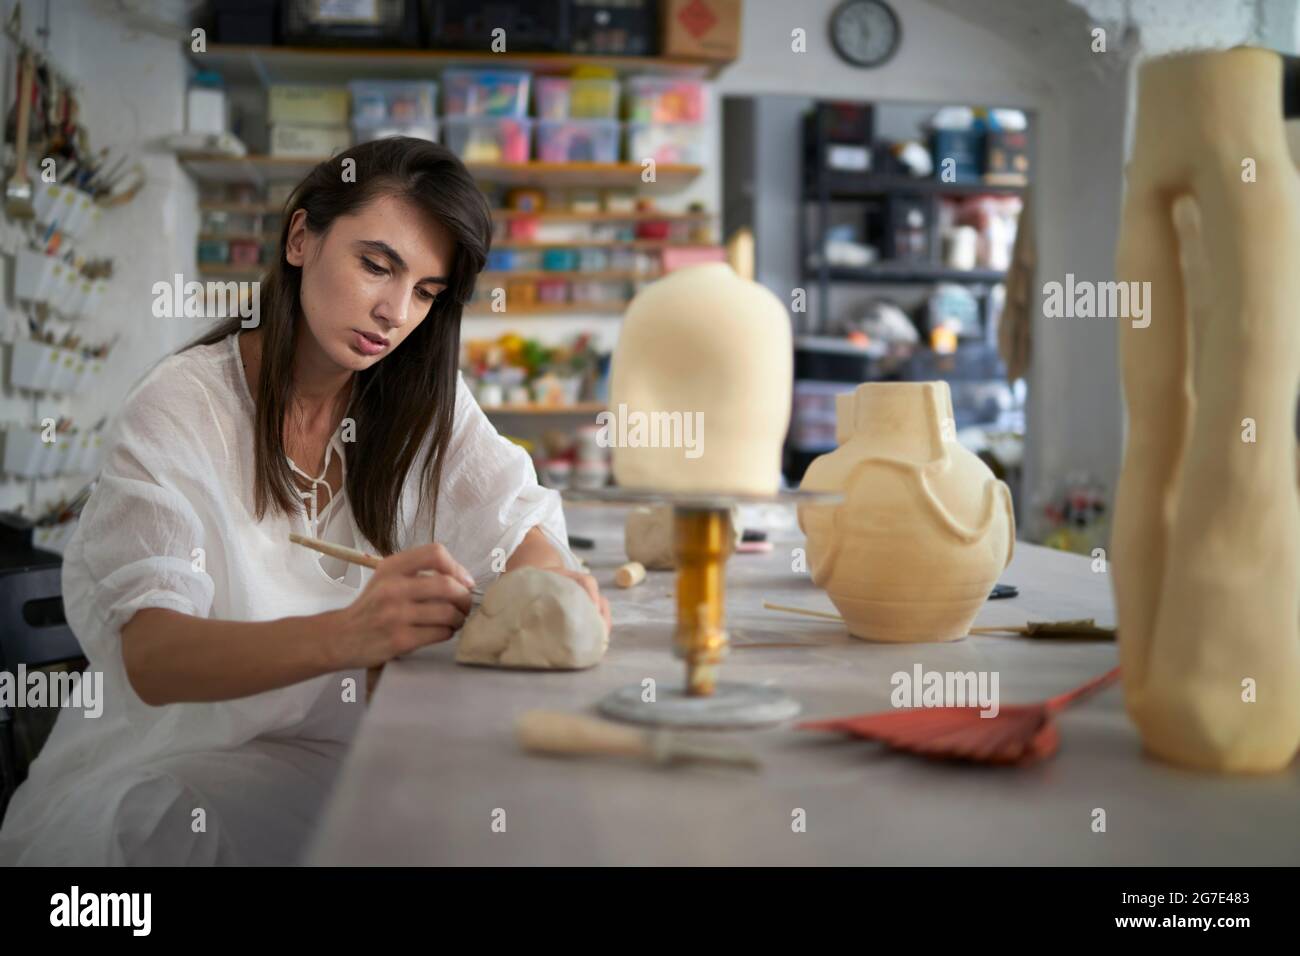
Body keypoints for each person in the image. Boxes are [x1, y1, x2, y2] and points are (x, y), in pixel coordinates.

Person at [0, 138, 609, 865]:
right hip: (174, 766)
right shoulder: (181, 406)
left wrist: (544, 589)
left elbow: (514, 516)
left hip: (342, 751)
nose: (394, 312)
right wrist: (353, 632)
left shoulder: (419, 396)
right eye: (376, 265)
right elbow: (154, 656)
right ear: (300, 239)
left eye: (425, 292)